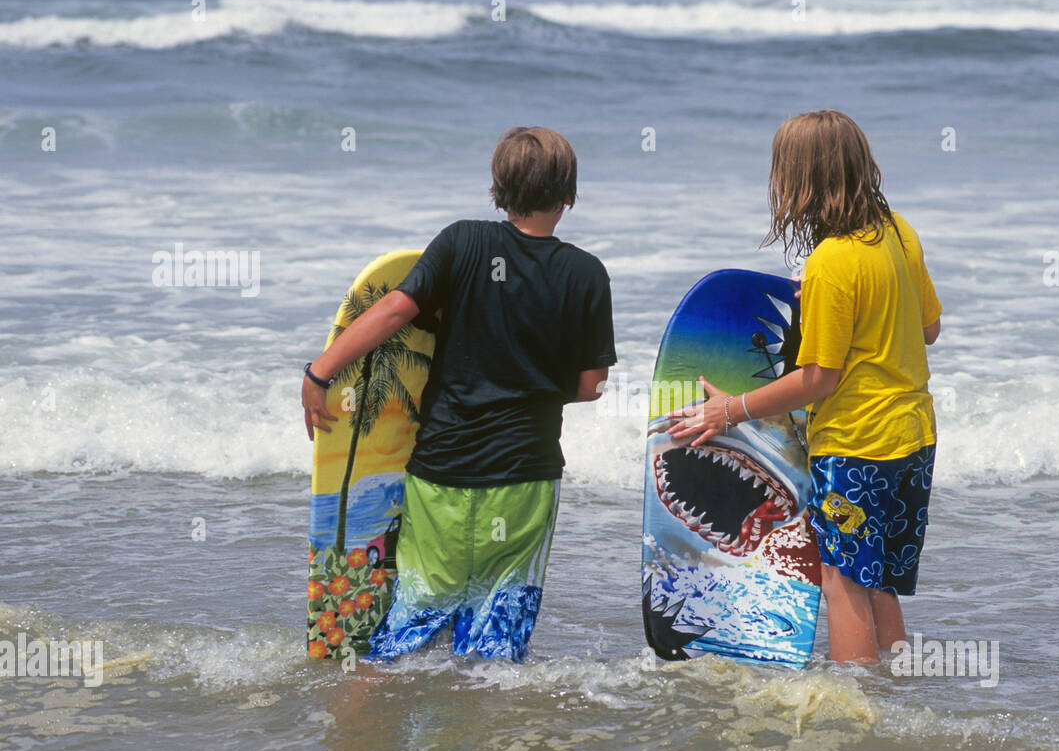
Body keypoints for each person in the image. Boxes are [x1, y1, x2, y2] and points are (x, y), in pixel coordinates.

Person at [301, 126, 616, 662]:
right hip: (526, 478)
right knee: (497, 644)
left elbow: (396, 309)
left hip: (442, 472)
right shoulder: (586, 274)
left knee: (410, 623)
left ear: (498, 188)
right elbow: (591, 386)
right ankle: (485, 738)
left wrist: (320, 372)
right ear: (568, 196)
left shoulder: (463, 242)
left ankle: (369, 721)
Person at [667, 110, 941, 664]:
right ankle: (895, 689)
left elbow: (819, 379)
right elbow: (928, 328)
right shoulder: (897, 231)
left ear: (801, 182)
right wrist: (832, 306)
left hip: (854, 445)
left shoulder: (831, 262)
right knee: (878, 577)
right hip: (913, 438)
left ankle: (857, 703)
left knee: (841, 579)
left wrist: (730, 411)